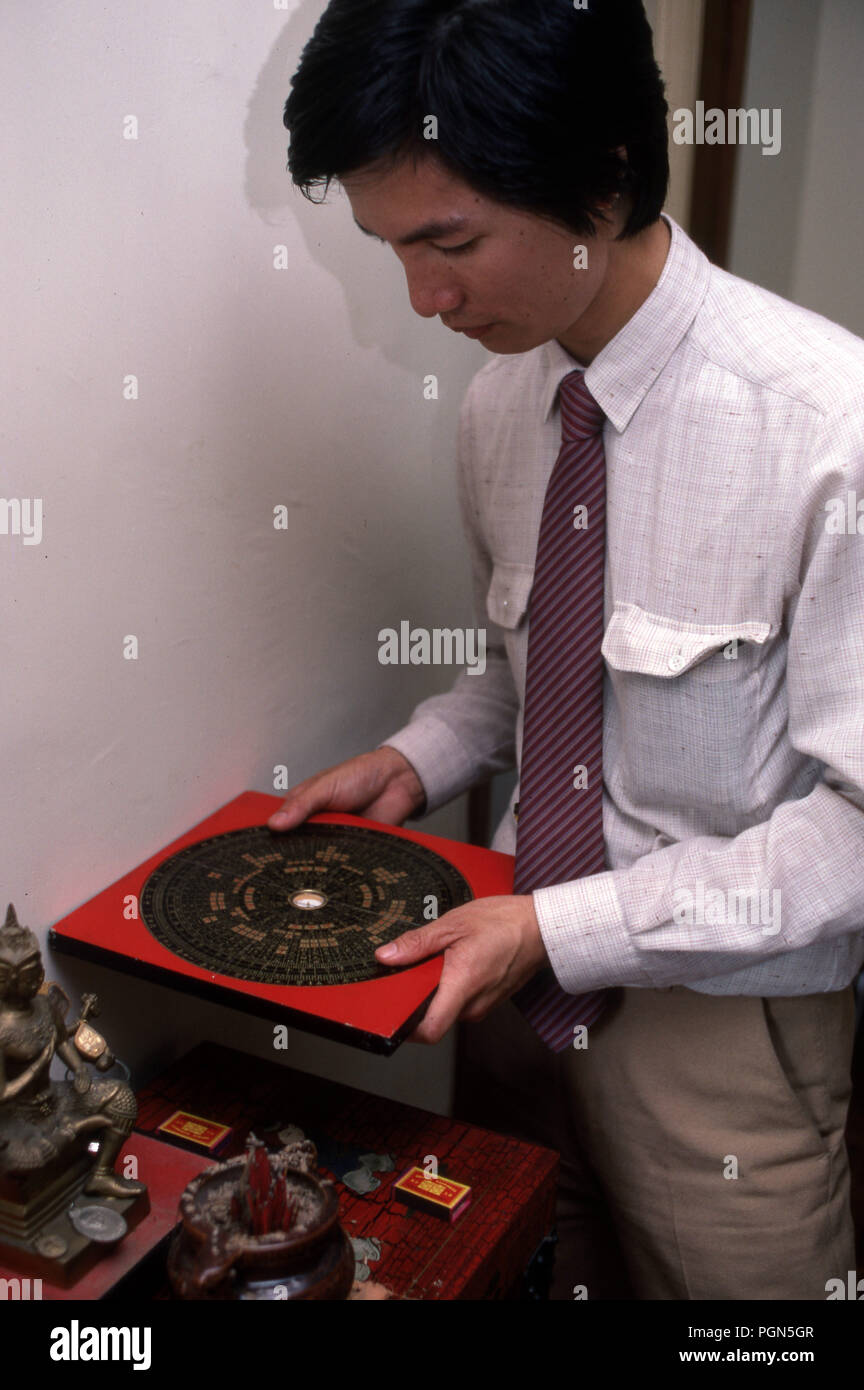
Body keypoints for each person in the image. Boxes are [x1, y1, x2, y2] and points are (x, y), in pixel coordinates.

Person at [276, 0, 864, 1299]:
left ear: (601, 176)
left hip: (725, 1044)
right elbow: (536, 672)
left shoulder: (832, 429)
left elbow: (856, 834)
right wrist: (418, 757)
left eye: (451, 242)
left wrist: (564, 924)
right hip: (507, 1002)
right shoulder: (502, 405)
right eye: (391, 251)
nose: (425, 300)